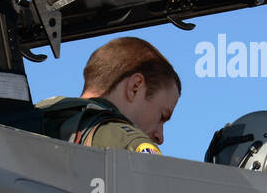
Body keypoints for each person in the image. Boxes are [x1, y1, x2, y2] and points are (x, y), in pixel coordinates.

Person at [35, 37, 179, 154]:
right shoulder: (125, 142)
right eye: (162, 116)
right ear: (135, 87)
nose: (160, 137)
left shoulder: (34, 118)